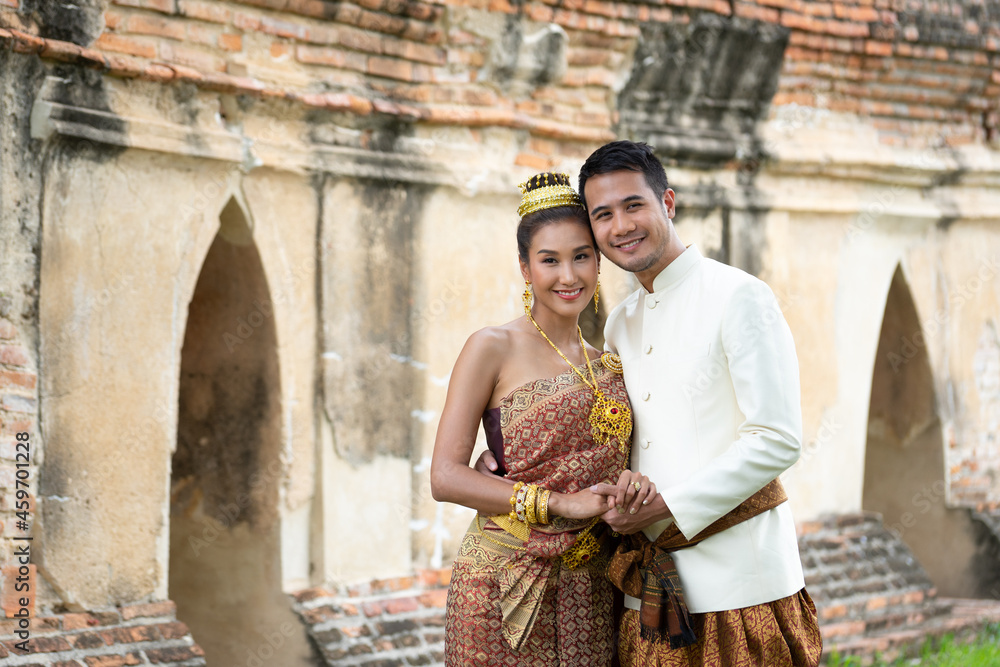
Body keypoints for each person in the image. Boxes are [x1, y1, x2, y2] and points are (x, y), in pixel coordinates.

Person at [580, 140, 823, 665]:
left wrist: (669, 505)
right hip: (649, 587)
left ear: (667, 202)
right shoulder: (620, 322)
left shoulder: (738, 296)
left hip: (740, 584)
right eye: (603, 215)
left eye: (633, 205)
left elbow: (777, 438)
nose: (620, 226)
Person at [430, 172, 654, 665]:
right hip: (501, 583)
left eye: (581, 256)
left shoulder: (612, 362)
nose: (568, 276)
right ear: (525, 268)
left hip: (592, 588)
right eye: (549, 260)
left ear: (598, 260)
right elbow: (445, 478)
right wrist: (558, 501)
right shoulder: (492, 347)